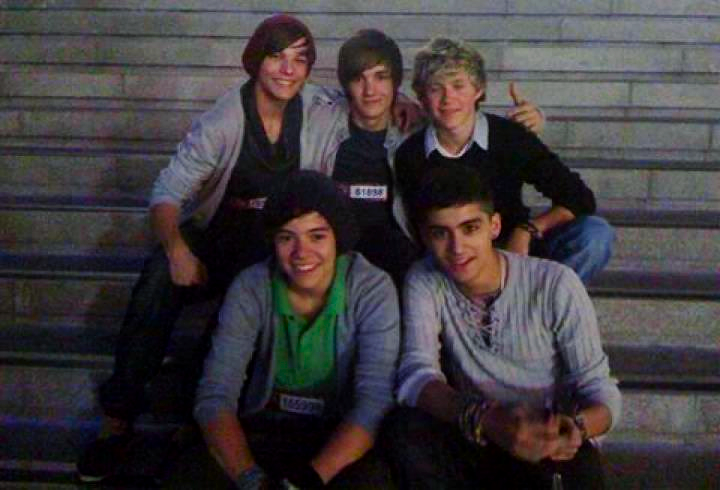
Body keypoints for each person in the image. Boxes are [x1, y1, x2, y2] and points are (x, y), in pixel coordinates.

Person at [76, 14, 348, 482]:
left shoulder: (315, 104)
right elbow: (166, 194)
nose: (288, 70)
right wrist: (177, 250)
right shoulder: (225, 119)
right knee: (158, 278)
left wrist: (403, 101)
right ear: (255, 61)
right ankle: (117, 419)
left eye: (300, 60)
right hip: (217, 237)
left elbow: (364, 97)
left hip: (273, 250)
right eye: (276, 57)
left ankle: (197, 421)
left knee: (247, 296)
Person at [383, 165, 621, 489]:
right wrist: (486, 418)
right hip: (477, 431)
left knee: (579, 466)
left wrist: (574, 430)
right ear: (424, 237)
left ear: (494, 226)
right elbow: (416, 375)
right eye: (440, 233)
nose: (457, 248)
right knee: (403, 429)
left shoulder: (555, 283)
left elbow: (599, 389)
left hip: (543, 438)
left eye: (470, 228)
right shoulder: (424, 279)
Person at [173, 170, 399, 489]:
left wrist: (304, 482)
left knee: (373, 480)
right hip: (261, 428)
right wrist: (252, 480)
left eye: (317, 236)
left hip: (335, 437)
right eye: (286, 237)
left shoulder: (371, 288)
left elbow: (374, 402)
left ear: (338, 237)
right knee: (189, 473)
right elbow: (215, 395)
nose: (301, 252)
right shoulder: (252, 285)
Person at [328, 29, 546, 287]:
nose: (370, 90)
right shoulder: (323, 120)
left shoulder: (416, 128)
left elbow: (461, 117)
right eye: (358, 79)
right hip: (333, 247)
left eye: (381, 77)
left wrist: (531, 121)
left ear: (396, 82)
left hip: (403, 252)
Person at [395, 38, 614, 285]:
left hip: (514, 249)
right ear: (422, 97)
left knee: (595, 234)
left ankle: (547, 301)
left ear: (478, 90)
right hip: (454, 257)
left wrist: (528, 229)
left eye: (458, 86)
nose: (448, 98)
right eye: (436, 89)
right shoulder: (411, 154)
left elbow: (579, 197)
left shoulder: (509, 137)